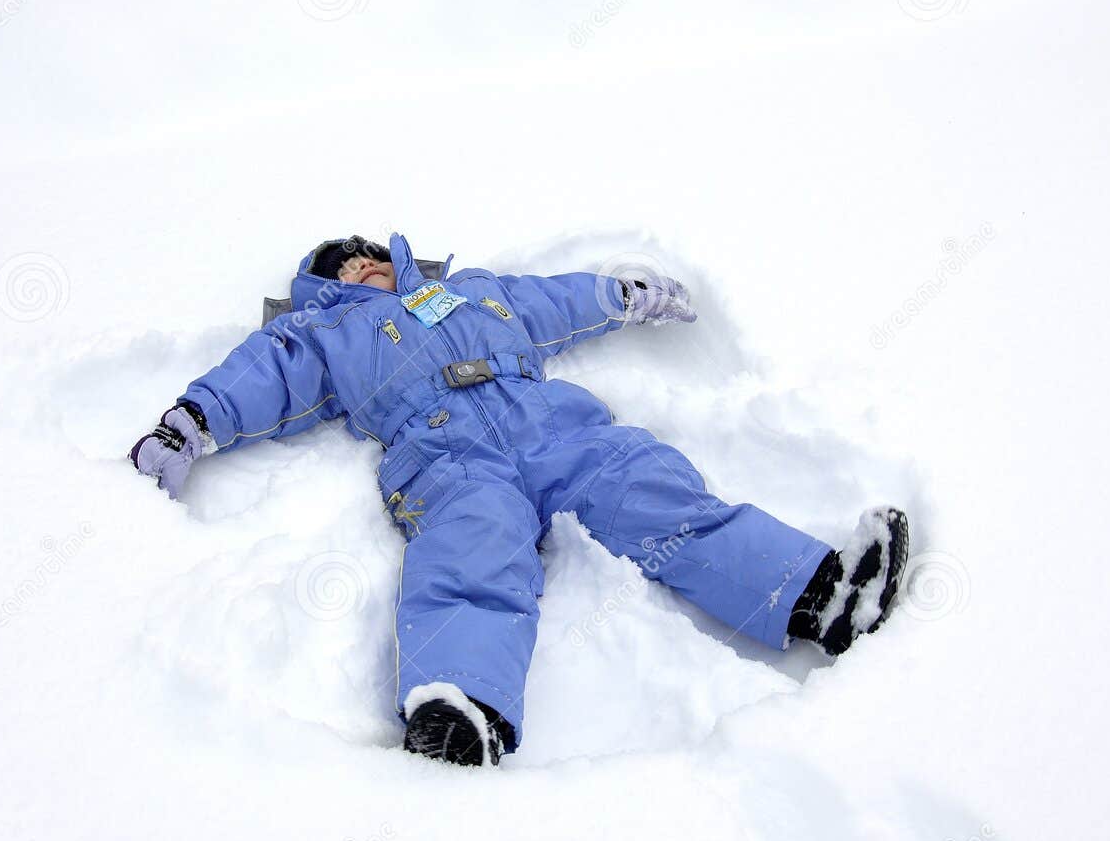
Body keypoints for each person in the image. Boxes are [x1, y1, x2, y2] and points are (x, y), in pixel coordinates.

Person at [132, 234, 909, 766]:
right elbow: (263, 377)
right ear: (326, 286)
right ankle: (461, 708)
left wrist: (619, 294)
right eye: (346, 267)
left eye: (370, 257)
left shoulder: (471, 291)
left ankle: (820, 595)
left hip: (549, 422)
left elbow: (550, 302)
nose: (364, 268)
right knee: (470, 549)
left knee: (644, 485)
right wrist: (190, 423)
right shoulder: (321, 334)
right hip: (445, 453)